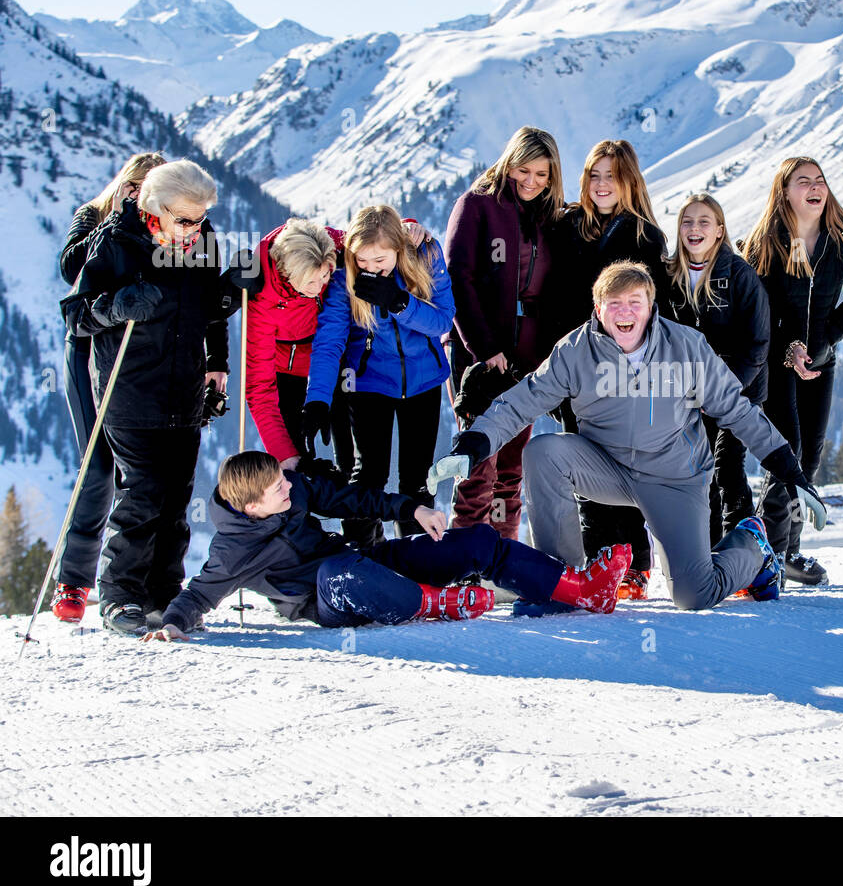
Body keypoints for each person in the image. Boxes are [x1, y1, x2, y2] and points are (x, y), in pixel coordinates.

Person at [435, 262, 828, 613]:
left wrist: (789, 471)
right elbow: (524, 400)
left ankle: (750, 547)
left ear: (651, 306)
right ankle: (563, 584)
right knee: (543, 452)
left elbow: (738, 410)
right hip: (606, 466)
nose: (625, 312)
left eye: (635, 302)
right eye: (614, 303)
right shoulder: (575, 351)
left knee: (694, 594)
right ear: (598, 309)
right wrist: (476, 441)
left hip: (674, 476)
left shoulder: (686, 347)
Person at [140, 450, 632, 641]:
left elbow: (352, 498)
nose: (290, 492)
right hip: (329, 599)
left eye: (285, 484)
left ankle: (580, 590)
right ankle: (439, 604)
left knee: (477, 541)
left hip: (364, 563)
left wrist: (409, 510)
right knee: (336, 573)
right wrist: (170, 625)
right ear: (251, 507)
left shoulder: (290, 491)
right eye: (278, 492)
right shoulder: (232, 552)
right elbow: (198, 594)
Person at [63, 159, 252, 635]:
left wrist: (230, 291)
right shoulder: (116, 241)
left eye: (201, 217)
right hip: (130, 390)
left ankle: (164, 595)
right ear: (153, 207)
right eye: (184, 219)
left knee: (175, 501)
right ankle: (120, 597)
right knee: (142, 497)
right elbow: (77, 315)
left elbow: (207, 308)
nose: (194, 229)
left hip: (183, 389)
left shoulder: (201, 240)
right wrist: (118, 305)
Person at [742, 157, 843, 586]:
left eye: (820, 181)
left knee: (810, 456)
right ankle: (768, 555)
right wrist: (789, 349)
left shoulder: (842, 236)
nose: (816, 188)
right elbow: (758, 312)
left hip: (820, 362)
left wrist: (823, 340)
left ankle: (791, 551)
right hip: (777, 363)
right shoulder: (768, 241)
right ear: (785, 192)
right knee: (788, 453)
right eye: (804, 182)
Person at [51, 150, 165, 623]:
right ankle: (73, 580)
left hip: (135, 356)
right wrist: (113, 219)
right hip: (87, 347)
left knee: (135, 466)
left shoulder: (163, 230)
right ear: (124, 183)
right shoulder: (93, 216)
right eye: (134, 185)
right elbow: (71, 269)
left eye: (149, 189)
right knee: (96, 463)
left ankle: (131, 581)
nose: (139, 195)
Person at [550, 139, 667, 598]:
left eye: (611, 175)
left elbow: (652, 310)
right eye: (594, 175)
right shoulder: (569, 225)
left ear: (629, 180)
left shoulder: (643, 236)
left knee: (620, 461)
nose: (601, 184)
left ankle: (633, 562)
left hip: (622, 367)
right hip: (570, 361)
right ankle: (600, 558)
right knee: (580, 461)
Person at [301, 206, 454, 546]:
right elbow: (329, 342)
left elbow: (443, 320)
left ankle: (416, 564)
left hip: (423, 382)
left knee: (417, 480)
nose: (369, 269)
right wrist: (317, 401)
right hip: (368, 383)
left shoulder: (426, 254)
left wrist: (401, 303)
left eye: (379, 261)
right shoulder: (344, 277)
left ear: (399, 249)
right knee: (368, 476)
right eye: (362, 261)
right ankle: (364, 558)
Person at [444, 126, 565, 542]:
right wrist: (485, 349)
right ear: (508, 163)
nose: (531, 181)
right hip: (478, 352)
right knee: (479, 461)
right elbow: (459, 278)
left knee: (512, 463)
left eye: (542, 174)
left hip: (529, 354)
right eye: (523, 170)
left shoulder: (549, 217)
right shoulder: (477, 206)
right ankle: (465, 554)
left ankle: (503, 554)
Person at [659, 192, 769, 546]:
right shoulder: (668, 275)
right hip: (690, 394)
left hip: (739, 390)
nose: (694, 229)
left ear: (720, 231)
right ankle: (704, 554)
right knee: (696, 471)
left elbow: (757, 342)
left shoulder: (738, 274)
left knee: (727, 466)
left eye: (704, 222)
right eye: (687, 222)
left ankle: (745, 552)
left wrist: (723, 390)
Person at [244, 218, 353, 478]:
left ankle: (359, 514)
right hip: (286, 367)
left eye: (324, 276)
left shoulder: (326, 241)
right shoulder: (263, 295)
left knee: (349, 452)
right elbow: (259, 389)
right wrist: (285, 455)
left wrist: (408, 227)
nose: (319, 289)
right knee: (295, 457)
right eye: (309, 284)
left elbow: (375, 236)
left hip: (331, 355)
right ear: (286, 274)